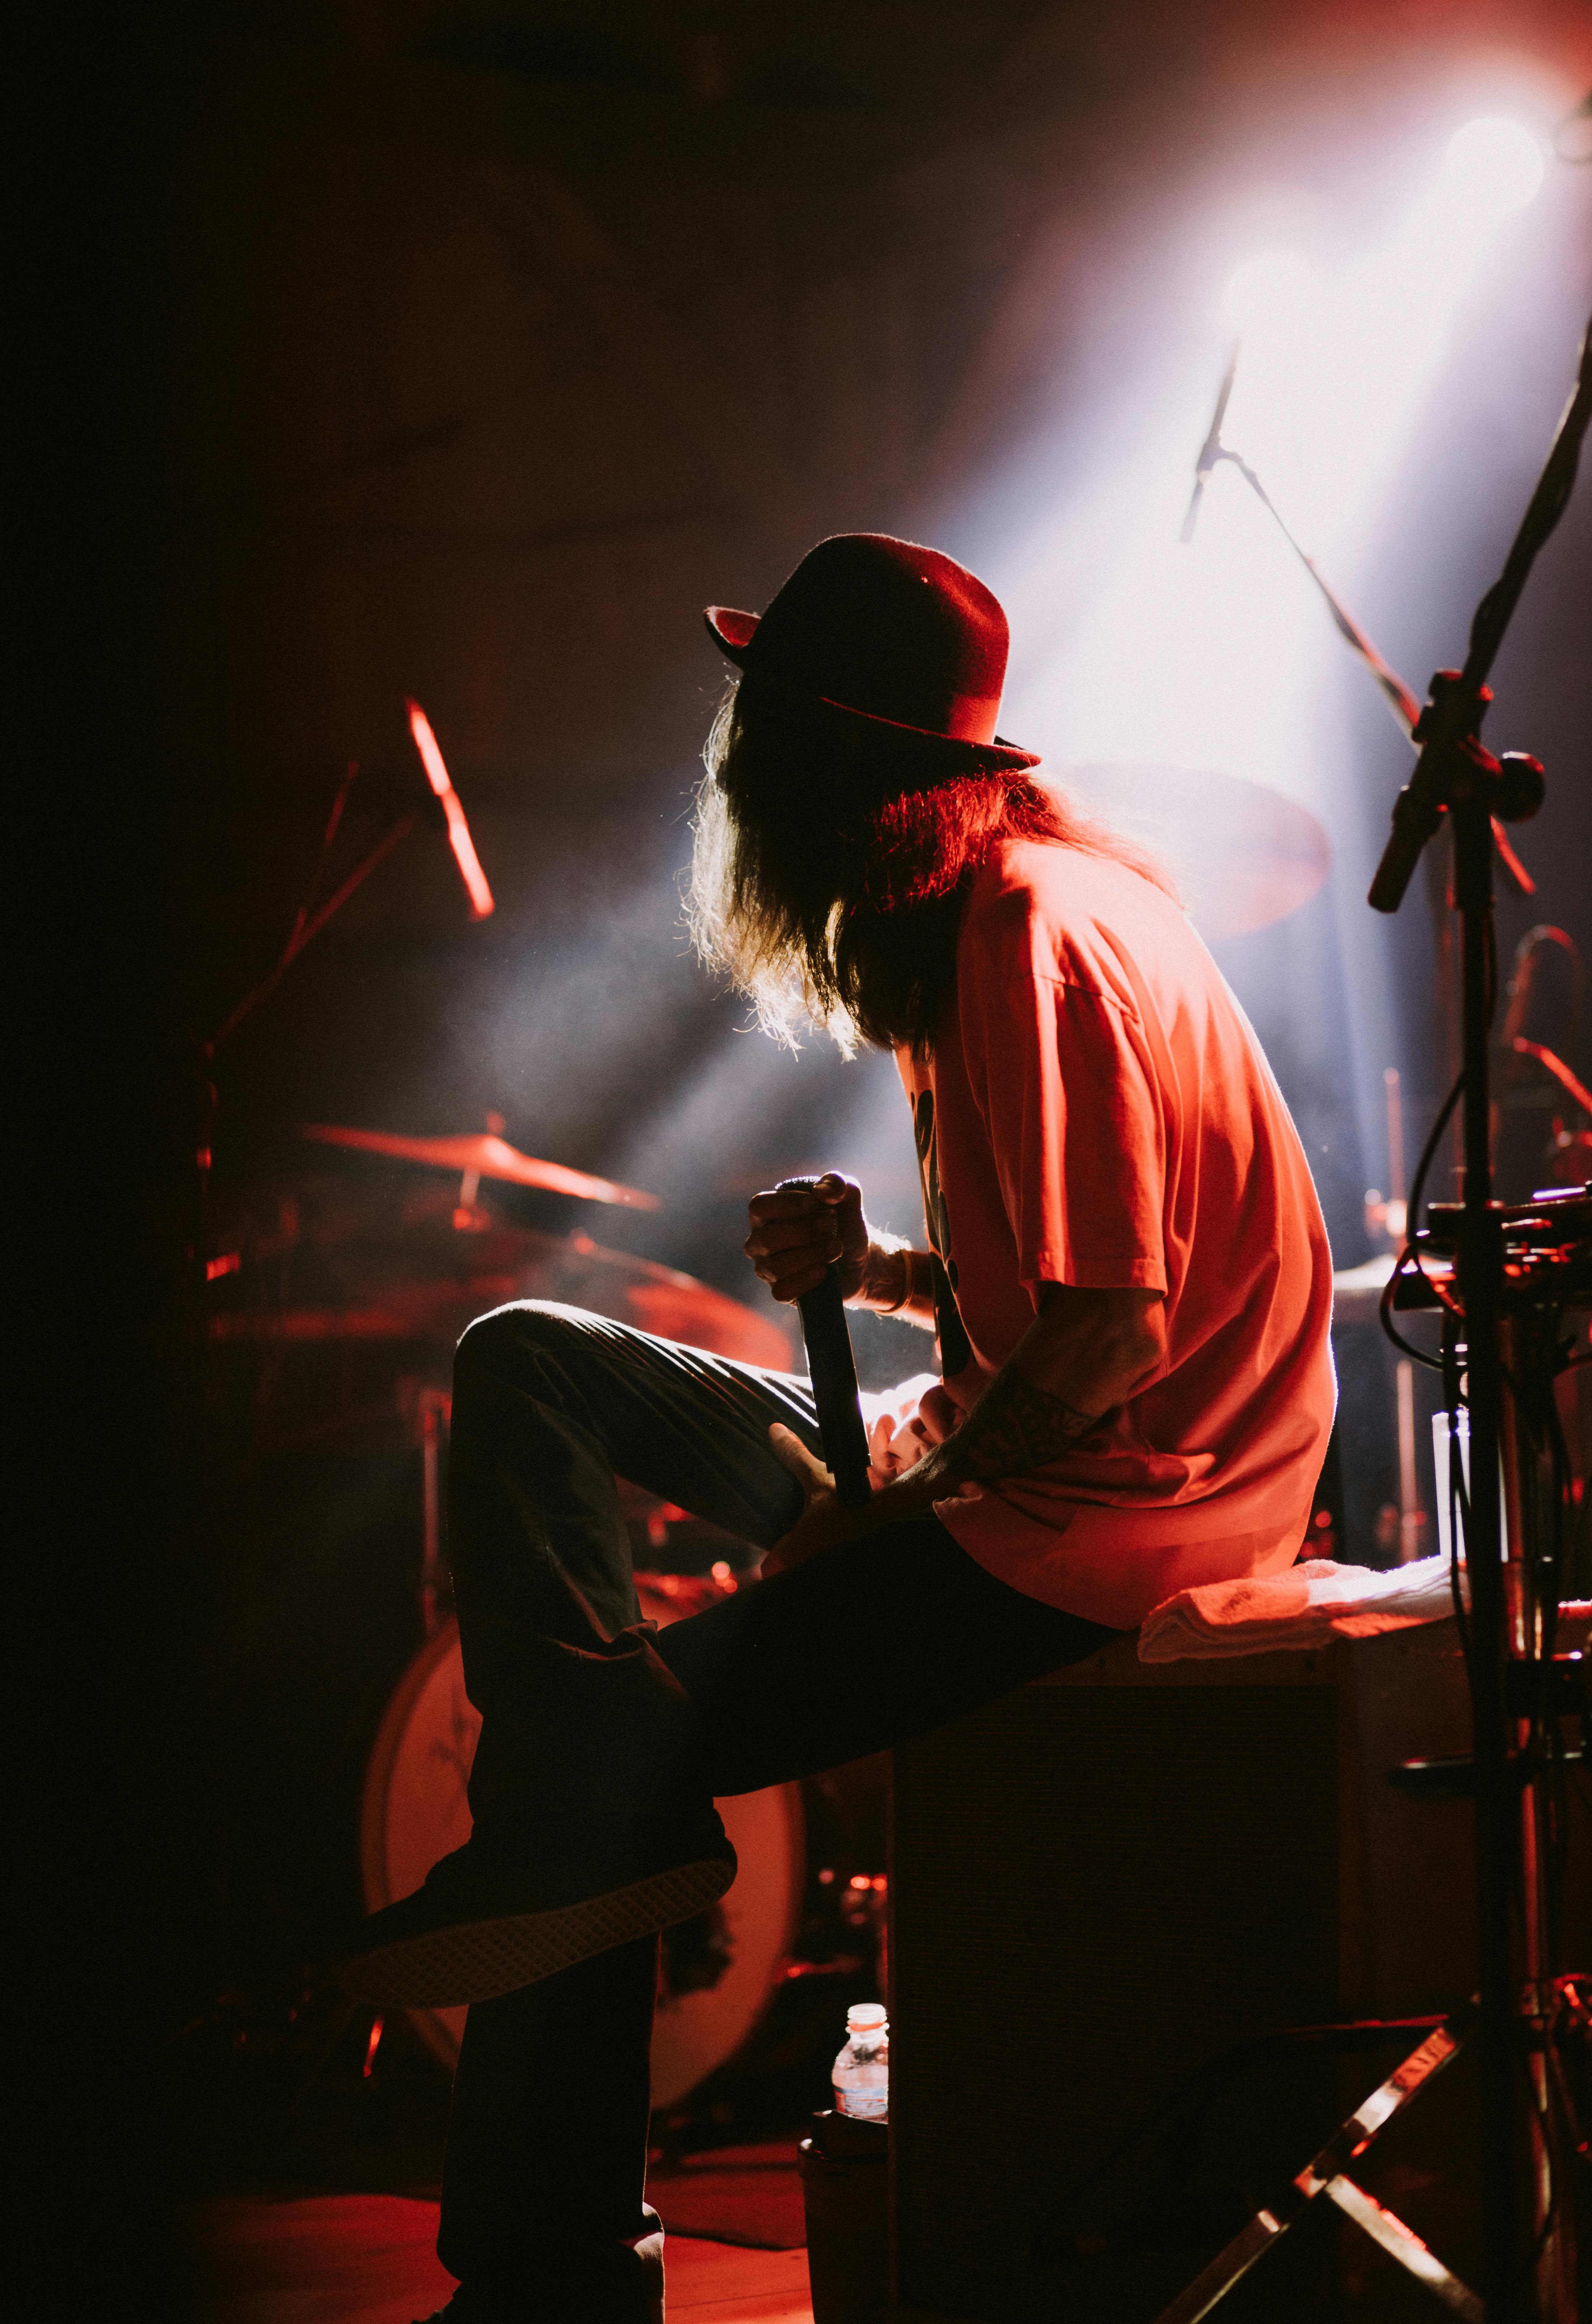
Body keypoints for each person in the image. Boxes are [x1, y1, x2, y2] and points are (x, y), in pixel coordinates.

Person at [341, 533, 1335, 2324]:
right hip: (1013, 1464)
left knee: (591, 1777)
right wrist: (878, 1261)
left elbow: (1113, 1340)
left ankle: (544, 2275)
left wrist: (876, 1518)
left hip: (1102, 1522)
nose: (725, 779)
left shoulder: (1035, 939)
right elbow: (1044, 1285)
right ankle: (597, 1808)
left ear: (834, 773)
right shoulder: (989, 913)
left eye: (756, 744)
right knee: (526, 1355)